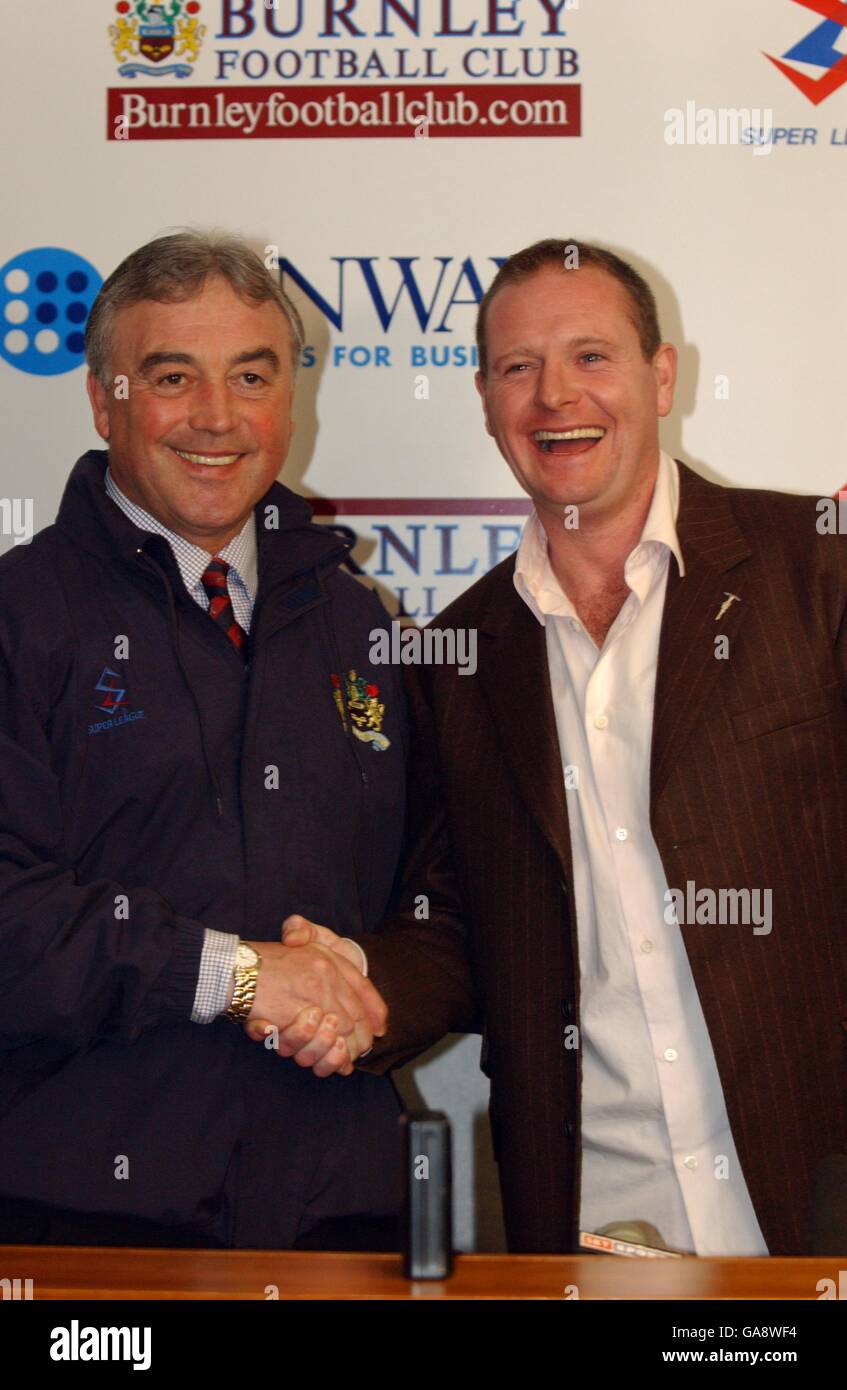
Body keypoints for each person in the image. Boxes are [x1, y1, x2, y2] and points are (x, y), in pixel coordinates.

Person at [279, 238, 847, 1257]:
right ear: (486, 399)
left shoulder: (816, 572)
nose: (554, 396)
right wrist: (358, 979)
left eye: (590, 356)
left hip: (817, 1207)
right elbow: (456, 919)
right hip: (590, 1227)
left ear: (661, 374)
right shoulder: (453, 658)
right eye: (517, 367)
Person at [0, 230, 407, 1251]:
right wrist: (230, 974)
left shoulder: (361, 622)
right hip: (85, 1219)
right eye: (172, 376)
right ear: (105, 402)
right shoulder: (19, 616)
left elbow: (443, 883)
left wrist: (355, 983)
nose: (218, 417)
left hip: (341, 1213)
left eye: (252, 376)